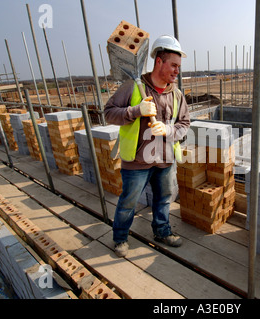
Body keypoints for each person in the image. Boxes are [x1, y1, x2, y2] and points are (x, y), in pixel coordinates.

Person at [104, 35, 190, 258]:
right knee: (128, 203)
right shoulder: (133, 86)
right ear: (159, 61)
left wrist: (169, 131)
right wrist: (135, 111)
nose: (177, 71)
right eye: (173, 65)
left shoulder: (177, 95)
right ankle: (120, 238)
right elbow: (108, 113)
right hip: (137, 161)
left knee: (163, 200)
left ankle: (162, 232)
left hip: (165, 160)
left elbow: (184, 123)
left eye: (179, 67)